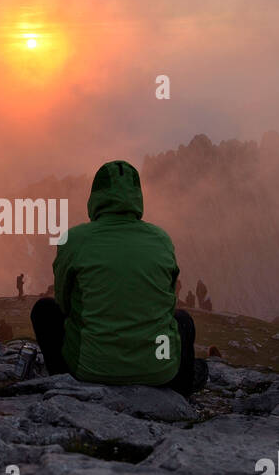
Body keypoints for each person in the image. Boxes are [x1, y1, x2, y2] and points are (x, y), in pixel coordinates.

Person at [30, 160, 206, 397]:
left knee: (44, 310)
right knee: (183, 320)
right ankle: (179, 386)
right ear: (137, 196)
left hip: (89, 369)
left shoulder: (74, 239)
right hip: (158, 367)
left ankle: (63, 381)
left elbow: (64, 303)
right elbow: (169, 302)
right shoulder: (161, 239)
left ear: (95, 197)